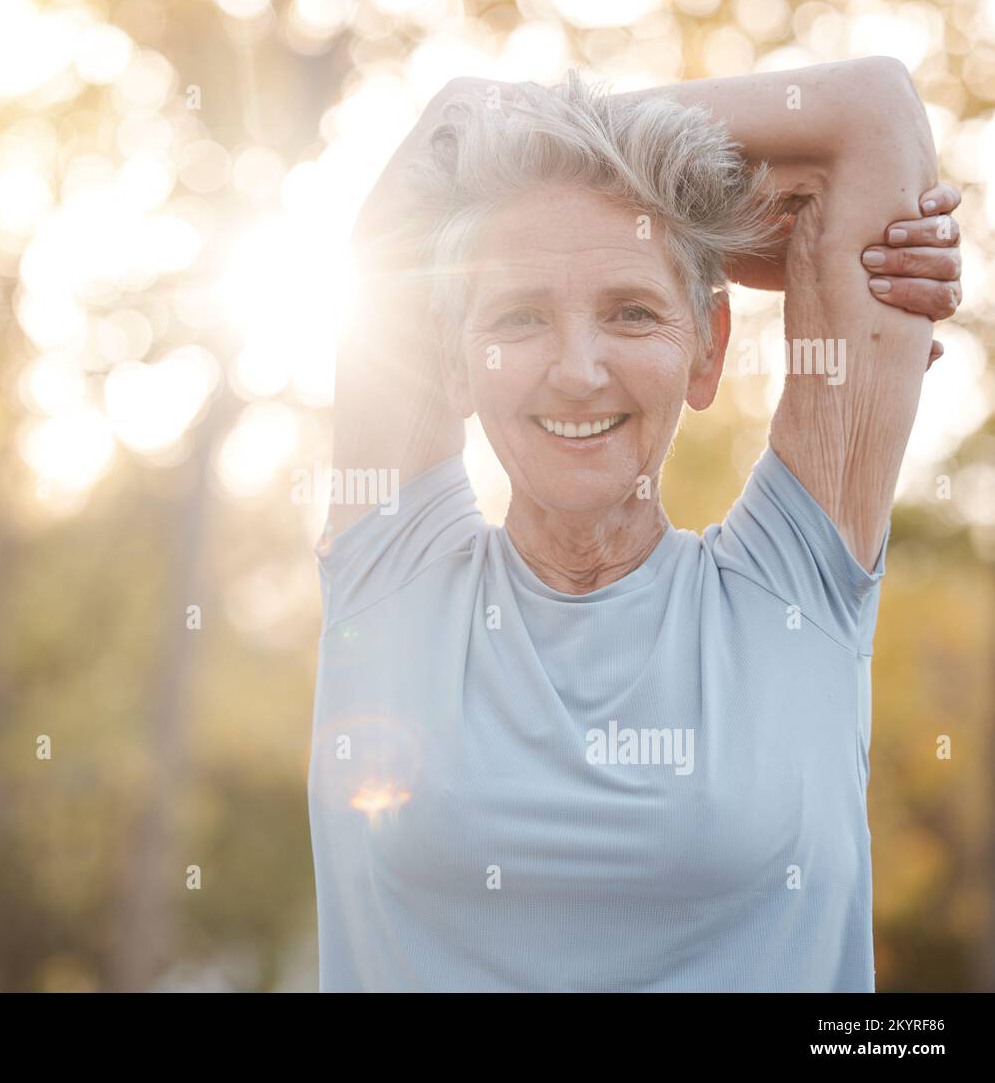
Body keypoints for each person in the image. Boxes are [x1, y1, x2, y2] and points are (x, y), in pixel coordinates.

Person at [307, 59, 964, 991]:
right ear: (453, 365)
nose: (578, 369)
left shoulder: (793, 585)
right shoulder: (394, 573)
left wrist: (594, 189)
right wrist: (630, 200)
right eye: (522, 315)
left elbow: (871, 111)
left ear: (709, 350)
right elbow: (450, 125)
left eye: (633, 311)